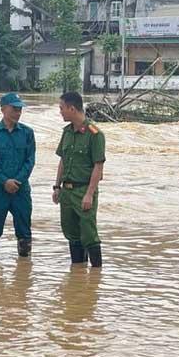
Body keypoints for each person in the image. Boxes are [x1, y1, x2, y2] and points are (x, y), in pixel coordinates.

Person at [53, 91, 106, 268]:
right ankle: (78, 276)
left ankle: (96, 276)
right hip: (66, 192)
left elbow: (98, 166)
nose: (60, 112)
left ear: (72, 108)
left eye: (62, 108)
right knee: (71, 233)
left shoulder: (94, 134)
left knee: (89, 234)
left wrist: (89, 194)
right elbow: (62, 160)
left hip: (83, 190)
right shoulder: (67, 132)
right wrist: (56, 186)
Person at [0, 93, 36, 257]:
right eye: (14, 109)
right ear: (3, 109)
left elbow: (30, 160)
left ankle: (24, 272)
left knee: (24, 229)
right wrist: (5, 181)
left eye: (20, 109)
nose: (18, 113)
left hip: (21, 189)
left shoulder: (27, 133)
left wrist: (17, 181)